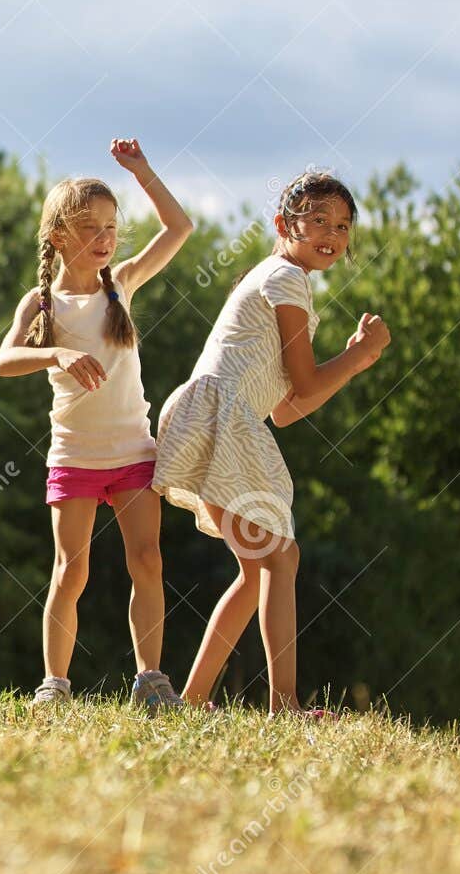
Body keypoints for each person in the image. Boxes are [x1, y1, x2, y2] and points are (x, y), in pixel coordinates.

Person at [154, 171, 389, 714]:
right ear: (285, 224)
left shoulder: (283, 281)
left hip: (221, 417)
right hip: (218, 416)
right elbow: (305, 387)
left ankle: (193, 700)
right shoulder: (286, 278)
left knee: (263, 562)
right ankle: (282, 705)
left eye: (343, 225)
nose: (331, 232)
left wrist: (356, 361)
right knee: (279, 558)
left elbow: (286, 410)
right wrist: (358, 356)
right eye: (318, 220)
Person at [0, 139, 195, 710]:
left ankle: (151, 681)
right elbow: (4, 362)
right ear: (58, 236)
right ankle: (54, 686)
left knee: (149, 560)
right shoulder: (40, 305)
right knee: (70, 568)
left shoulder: (122, 285)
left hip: (134, 450)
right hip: (75, 457)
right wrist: (54, 355)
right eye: (91, 228)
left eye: (111, 227)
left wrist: (142, 171)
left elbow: (179, 228)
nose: (106, 239)